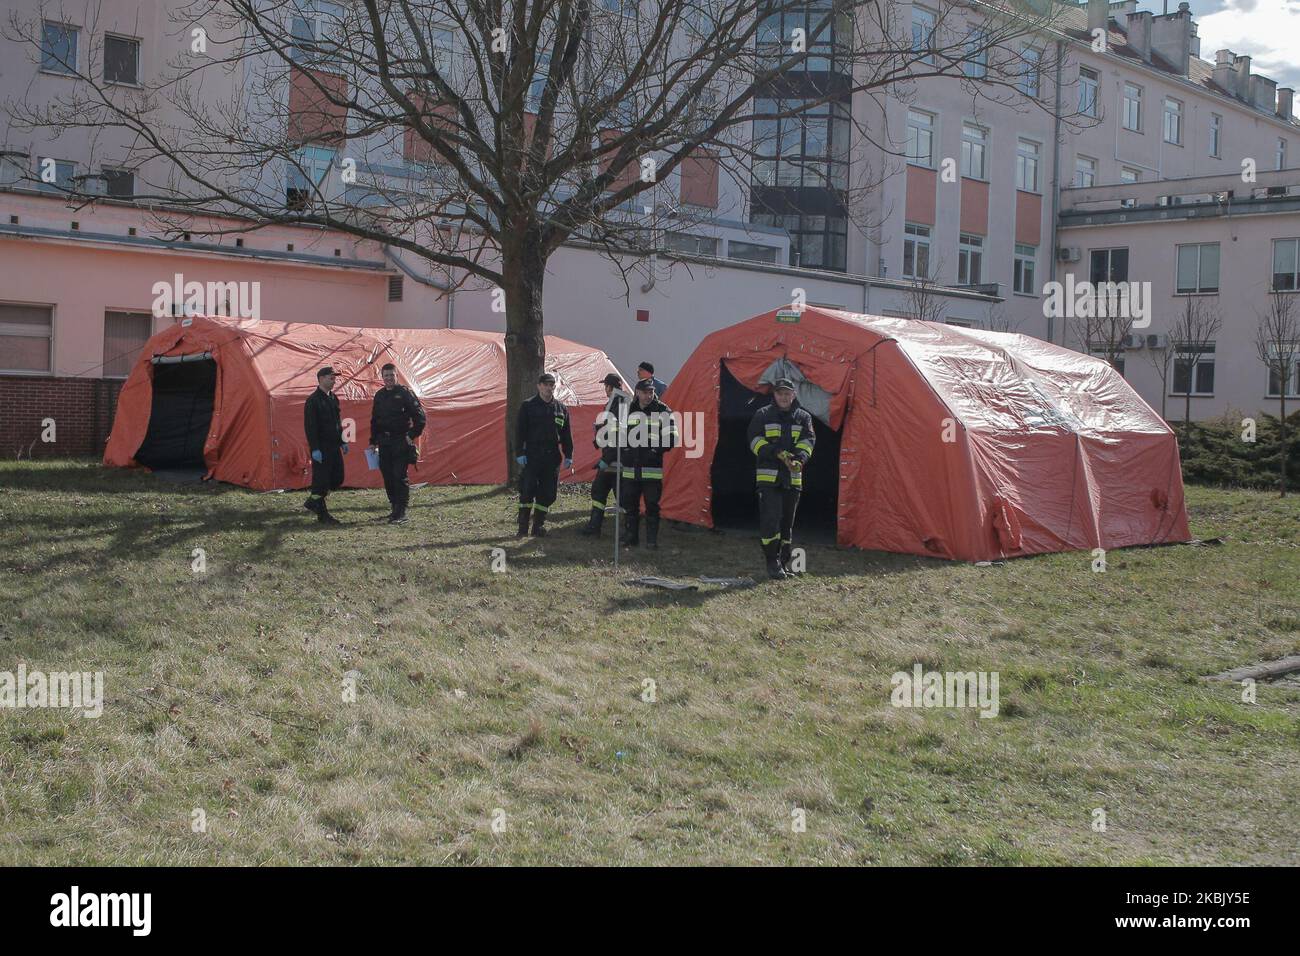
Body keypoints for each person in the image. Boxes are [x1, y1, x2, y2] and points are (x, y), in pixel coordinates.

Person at [747, 378, 815, 579]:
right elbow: (754, 440)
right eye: (780, 393)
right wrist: (776, 453)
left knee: (787, 523)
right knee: (771, 520)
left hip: (793, 479)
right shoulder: (763, 415)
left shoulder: (803, 417)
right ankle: (772, 562)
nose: (784, 397)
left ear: (793, 395)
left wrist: (800, 459)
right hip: (769, 479)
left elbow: (808, 441)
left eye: (787, 394)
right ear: (774, 395)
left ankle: (784, 562)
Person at [619, 377, 678, 549]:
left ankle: (651, 541)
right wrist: (625, 451)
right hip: (631, 469)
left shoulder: (663, 411)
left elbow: (672, 437)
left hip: (651, 469)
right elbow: (618, 435)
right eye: (645, 392)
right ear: (637, 393)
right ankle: (631, 537)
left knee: (652, 506)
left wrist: (655, 450)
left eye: (651, 392)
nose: (648, 396)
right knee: (630, 505)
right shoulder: (627, 410)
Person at [514, 372, 574, 537]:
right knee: (527, 491)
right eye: (545, 385)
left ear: (554, 387)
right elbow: (519, 431)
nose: (548, 388)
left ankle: (538, 526)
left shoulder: (561, 409)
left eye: (551, 385)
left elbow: (566, 434)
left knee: (547, 493)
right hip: (532, 455)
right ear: (539, 386)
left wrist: (568, 454)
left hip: (552, 457)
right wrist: (519, 452)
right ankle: (522, 527)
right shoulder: (528, 406)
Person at [367, 362, 427, 525]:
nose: (388, 379)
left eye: (391, 376)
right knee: (387, 476)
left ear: (396, 376)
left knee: (399, 476)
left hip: (401, 440)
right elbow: (375, 420)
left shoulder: (405, 393)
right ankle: (394, 508)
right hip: (384, 442)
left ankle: (401, 511)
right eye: (386, 376)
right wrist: (373, 441)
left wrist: (411, 435)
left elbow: (420, 418)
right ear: (382, 377)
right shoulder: (379, 395)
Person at [581, 373, 627, 537]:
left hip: (617, 459)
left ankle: (628, 532)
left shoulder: (621, 405)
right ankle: (594, 527)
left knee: (621, 496)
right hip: (611, 457)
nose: (605, 390)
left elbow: (619, 436)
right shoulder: (615, 403)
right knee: (599, 490)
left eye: (605, 386)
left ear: (609, 387)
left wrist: (606, 459)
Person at [303, 365, 348, 525]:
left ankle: (312, 501)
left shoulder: (333, 398)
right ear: (321, 379)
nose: (334, 380)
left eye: (334, 377)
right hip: (321, 448)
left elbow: (337, 422)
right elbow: (310, 427)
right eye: (331, 377)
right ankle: (322, 514)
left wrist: (342, 441)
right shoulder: (313, 401)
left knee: (337, 478)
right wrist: (315, 448)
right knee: (321, 481)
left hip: (334, 446)